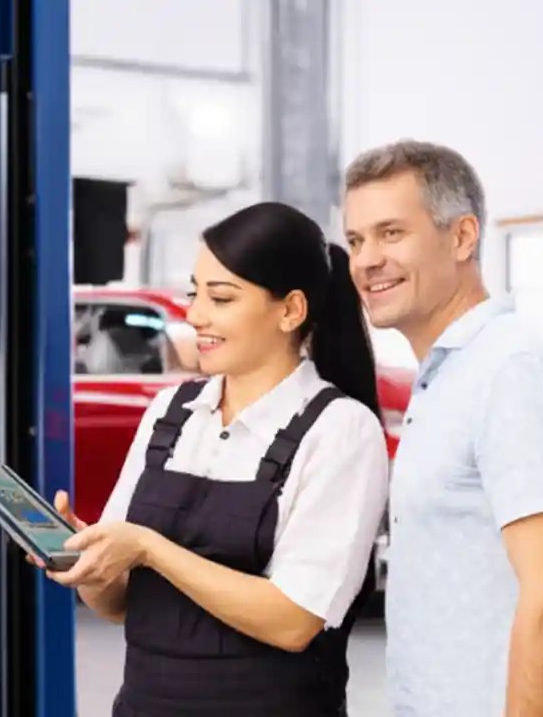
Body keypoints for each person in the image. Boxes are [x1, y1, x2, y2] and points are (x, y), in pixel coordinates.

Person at [37, 202, 391, 716]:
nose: (195, 314)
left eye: (221, 298)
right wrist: (86, 562)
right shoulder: (171, 412)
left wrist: (150, 548)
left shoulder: (340, 429)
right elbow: (118, 606)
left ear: (290, 310)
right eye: (193, 293)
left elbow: (294, 620)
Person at [341, 140, 543, 716]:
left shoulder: (513, 371)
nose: (365, 260)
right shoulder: (446, 378)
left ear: (462, 237)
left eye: (391, 233)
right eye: (356, 240)